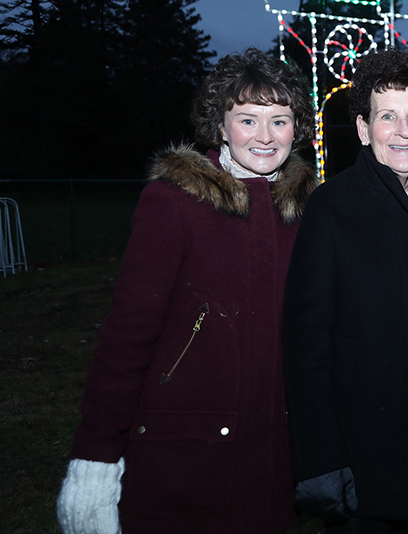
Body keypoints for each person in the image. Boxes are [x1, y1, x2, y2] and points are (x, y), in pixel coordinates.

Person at [56, 48, 318, 534]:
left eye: (279, 121)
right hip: (183, 456)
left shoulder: (307, 213)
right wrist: (95, 456)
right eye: (247, 119)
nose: (264, 136)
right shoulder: (175, 203)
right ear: (220, 126)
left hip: (276, 459)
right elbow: (126, 337)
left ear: (296, 129)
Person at [282, 49, 408, 534]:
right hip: (362, 469)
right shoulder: (330, 209)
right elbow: (307, 350)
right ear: (363, 129)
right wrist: (320, 459)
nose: (403, 131)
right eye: (388, 117)